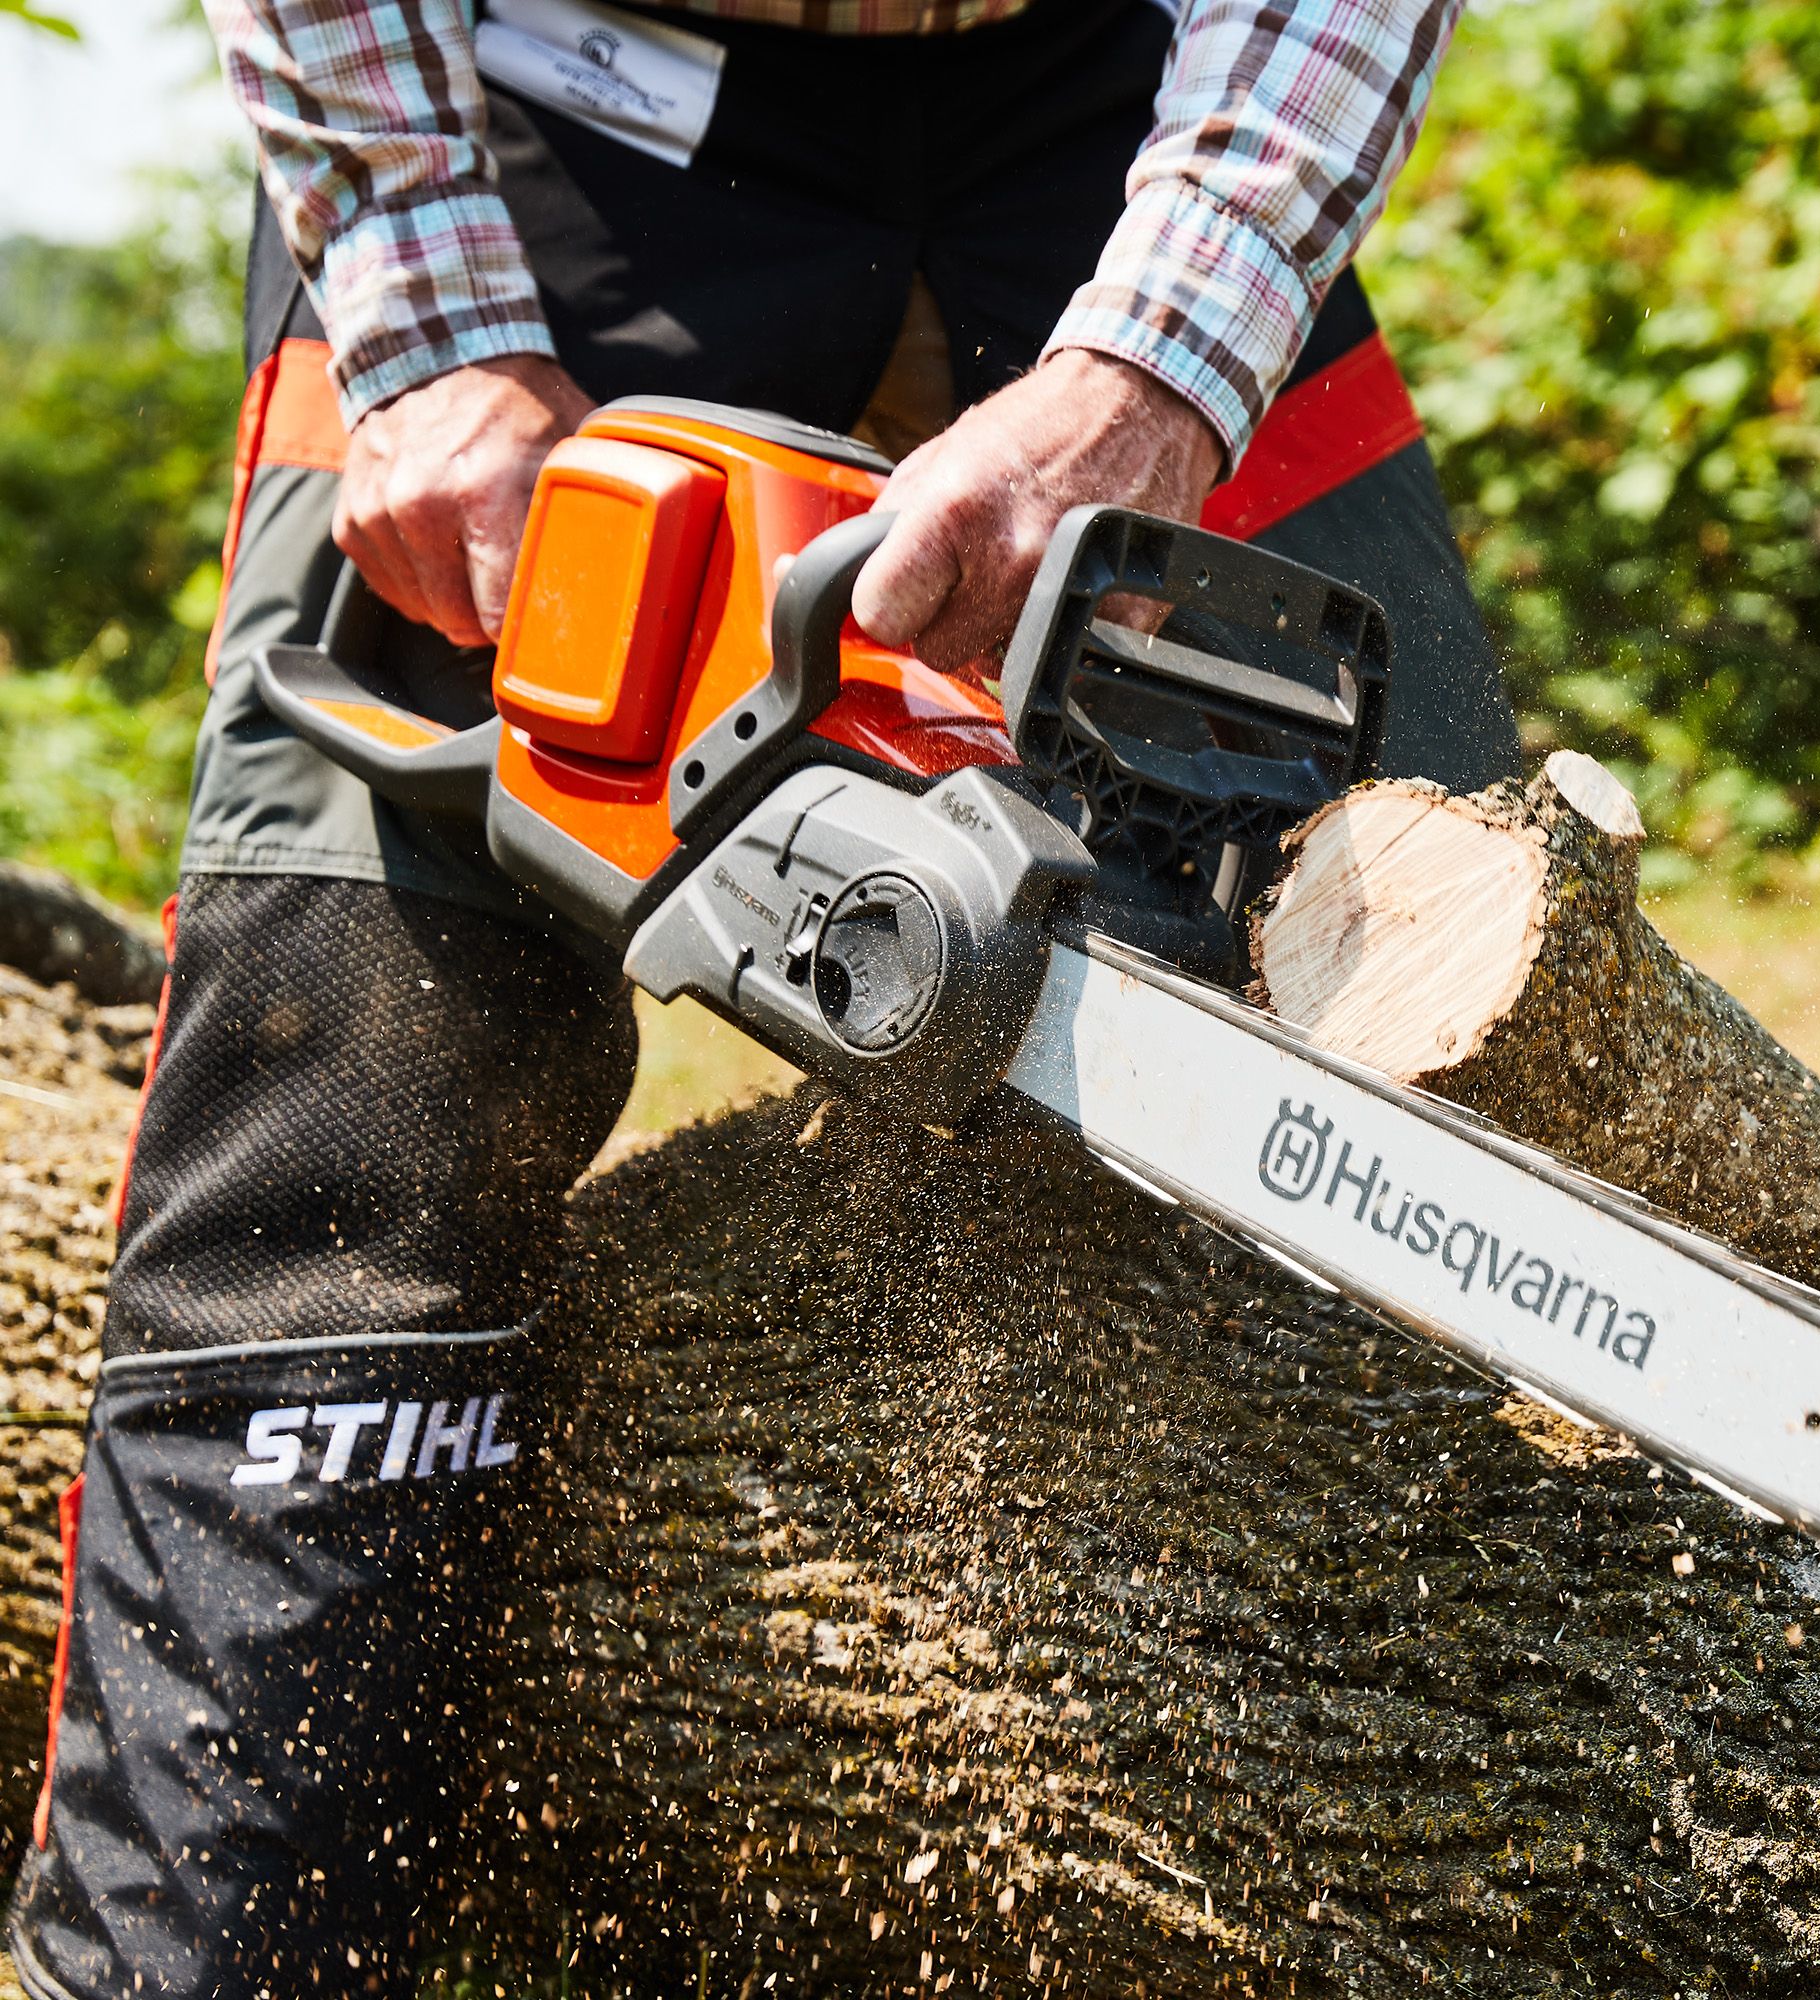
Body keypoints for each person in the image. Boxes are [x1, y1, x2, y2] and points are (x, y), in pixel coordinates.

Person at [8, 0, 1514, 1989]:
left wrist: (1161, 362)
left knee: (1458, 967)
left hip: (1120, 112)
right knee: (342, 1131)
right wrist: (434, 330)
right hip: (535, 125)